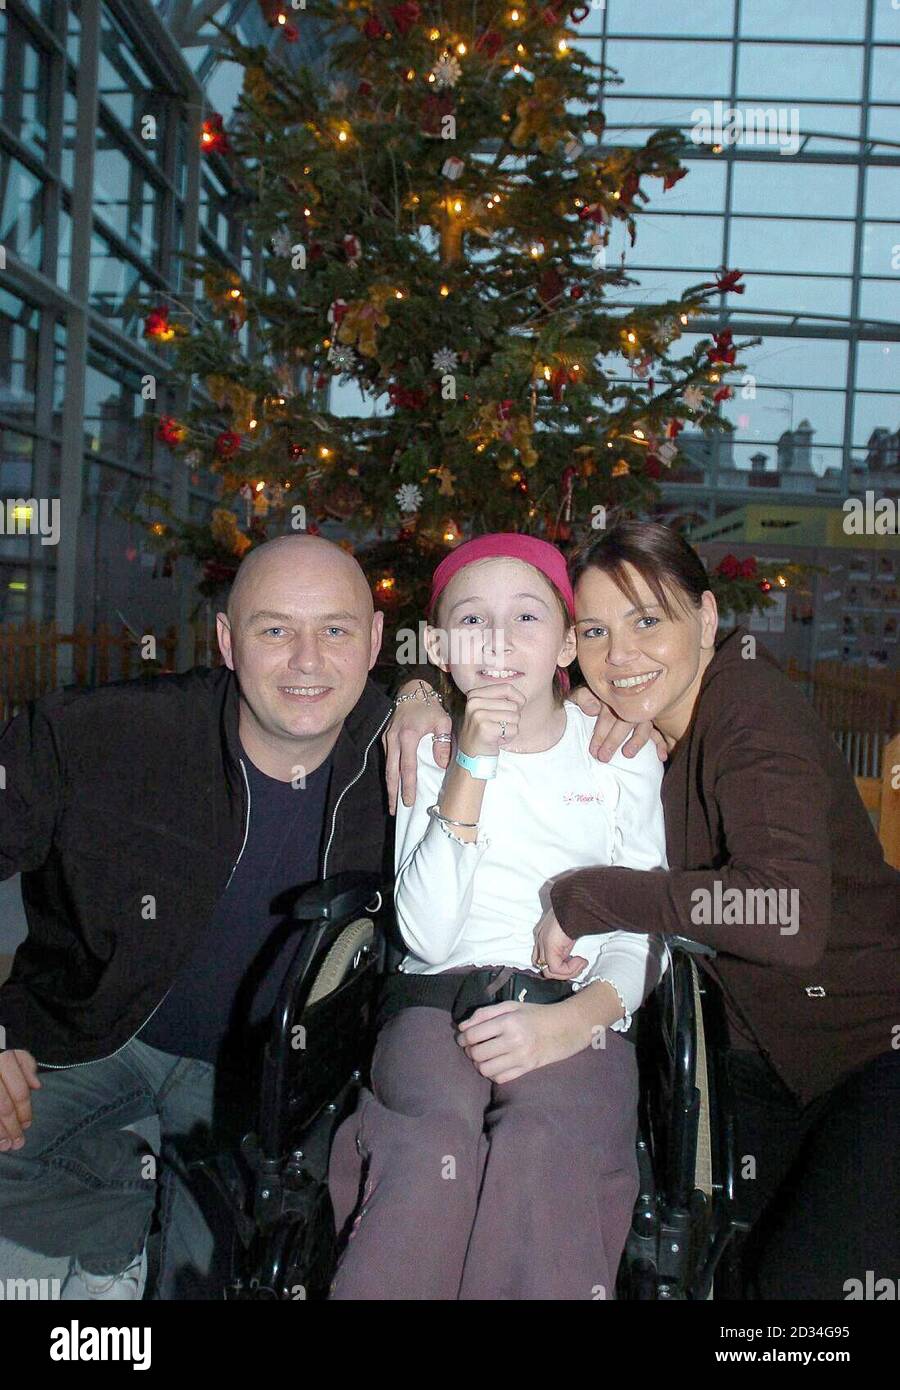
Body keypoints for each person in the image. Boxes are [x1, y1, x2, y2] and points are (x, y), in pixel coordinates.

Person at [392, 520, 900, 1300]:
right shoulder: (637, 729)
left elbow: (787, 916)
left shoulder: (750, 713)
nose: (621, 654)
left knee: (811, 1293)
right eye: (596, 629)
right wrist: (420, 692)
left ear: (705, 619)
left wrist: (592, 897)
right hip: (764, 1059)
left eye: (648, 621)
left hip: (869, 1046)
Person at [0, 534, 394, 1299]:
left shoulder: (410, 760)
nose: (307, 661)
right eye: (274, 629)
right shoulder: (103, 734)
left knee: (222, 1274)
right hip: (92, 1035)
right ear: (226, 641)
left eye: (336, 630)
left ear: (376, 641)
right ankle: (115, 1206)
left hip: (263, 1083)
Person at [327, 534, 668, 1300]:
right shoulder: (430, 748)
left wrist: (573, 1021)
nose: (501, 642)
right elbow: (428, 935)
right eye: (473, 621)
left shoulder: (617, 754)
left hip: (574, 1004)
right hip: (434, 1001)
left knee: (544, 1142)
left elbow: (644, 926)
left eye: (526, 617)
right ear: (443, 648)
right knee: (431, 1140)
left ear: (565, 641)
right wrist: (471, 767)